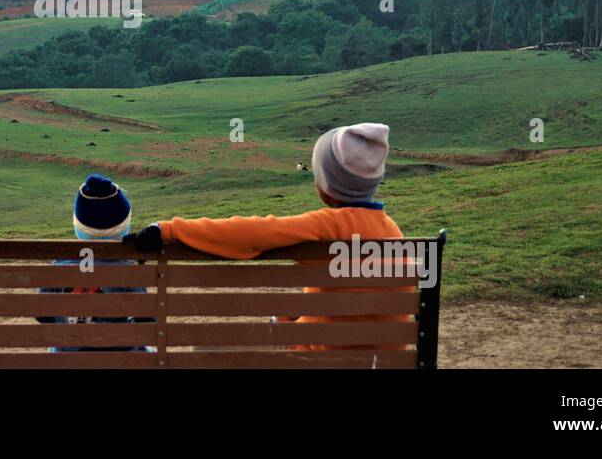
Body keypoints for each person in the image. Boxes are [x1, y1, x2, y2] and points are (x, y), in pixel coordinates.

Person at [124, 123, 406, 350]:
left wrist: (171, 229)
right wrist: (286, 318)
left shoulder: (327, 226)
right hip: (386, 360)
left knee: (209, 349)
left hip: (317, 357)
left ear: (326, 185)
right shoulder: (394, 234)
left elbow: (250, 233)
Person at [35, 173, 153, 352]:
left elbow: (42, 315)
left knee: (55, 349)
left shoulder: (61, 264)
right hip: (119, 360)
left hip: (67, 361)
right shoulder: (128, 270)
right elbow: (148, 322)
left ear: (78, 225)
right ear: (125, 224)